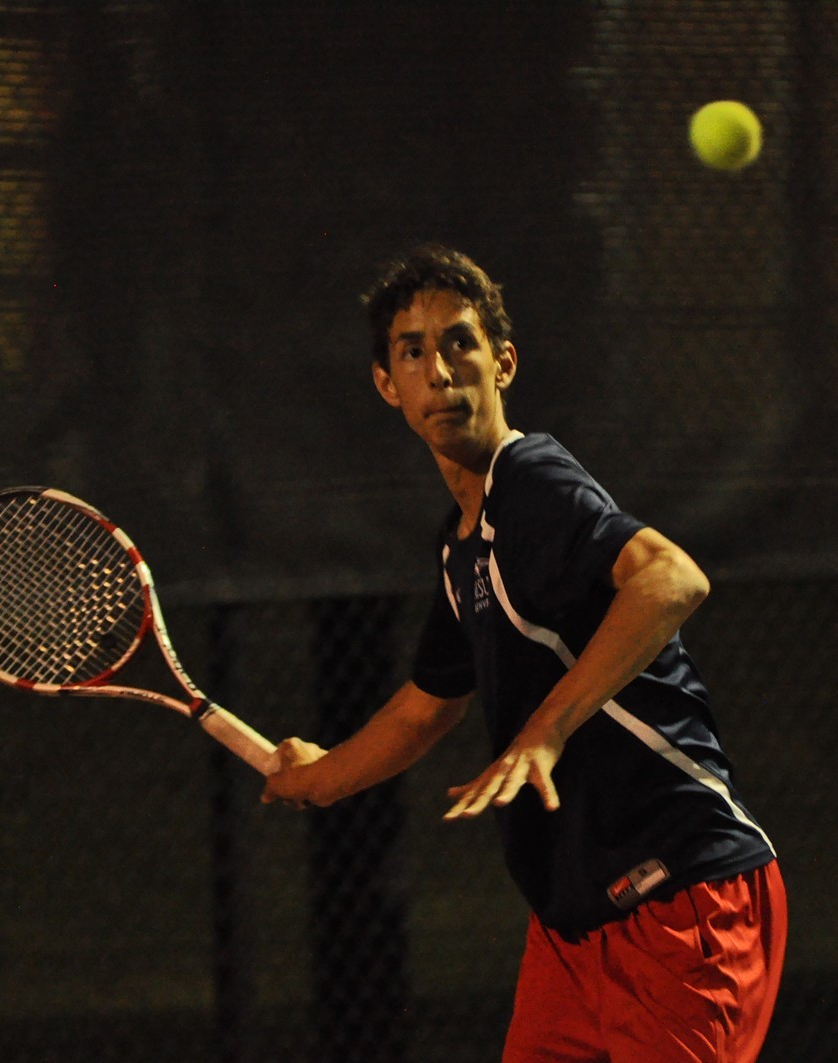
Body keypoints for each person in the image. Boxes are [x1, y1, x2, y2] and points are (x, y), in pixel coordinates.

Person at [262, 244, 786, 1062]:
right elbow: (425, 705)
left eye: (460, 343)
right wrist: (319, 776)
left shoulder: (532, 481)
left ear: (503, 362)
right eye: (412, 351)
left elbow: (672, 578)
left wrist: (544, 732)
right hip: (573, 931)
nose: (439, 370)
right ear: (386, 384)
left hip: (680, 897)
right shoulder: (460, 549)